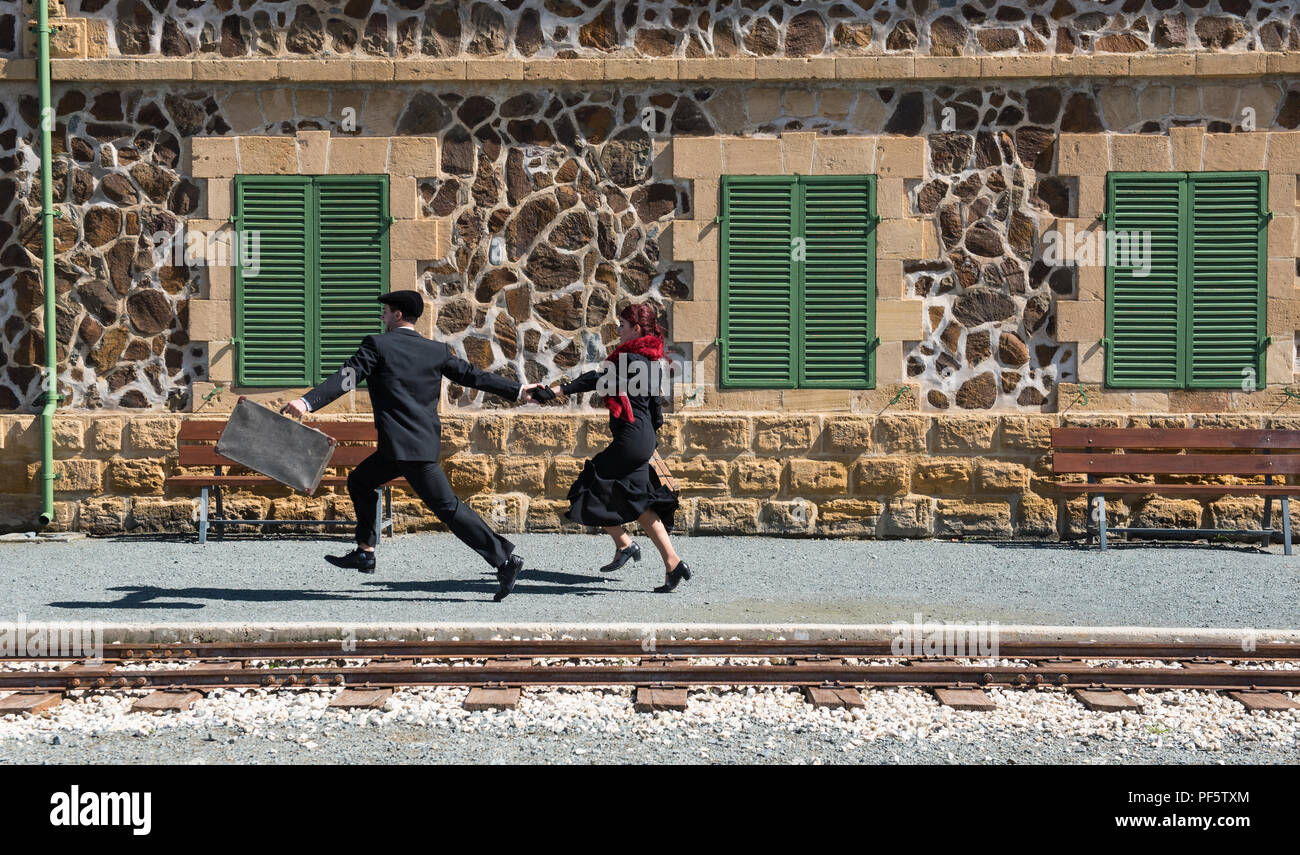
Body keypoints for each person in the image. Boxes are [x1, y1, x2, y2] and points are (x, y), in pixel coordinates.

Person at [281, 290, 542, 602]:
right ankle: (365, 551)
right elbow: (473, 377)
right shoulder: (436, 350)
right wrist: (518, 390)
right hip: (405, 447)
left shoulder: (377, 346)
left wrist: (306, 402)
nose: (383, 317)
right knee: (360, 480)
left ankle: (504, 559)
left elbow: (345, 378)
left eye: (386, 312)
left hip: (409, 452)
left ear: (398, 316)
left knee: (447, 508)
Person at [547, 304, 690, 593]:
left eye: (623, 324)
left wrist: (559, 390)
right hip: (643, 438)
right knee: (639, 503)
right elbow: (655, 410)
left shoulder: (629, 359)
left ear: (637, 328)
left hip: (631, 440)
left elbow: (596, 380)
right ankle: (673, 563)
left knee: (586, 485)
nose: (619, 329)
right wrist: (648, 443)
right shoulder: (652, 361)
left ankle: (624, 544)